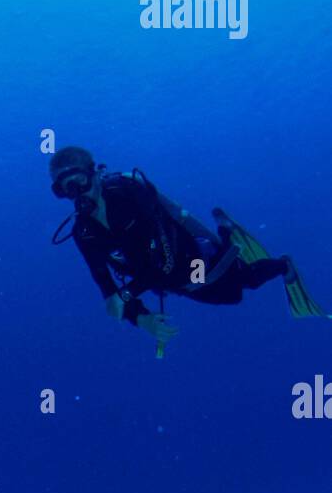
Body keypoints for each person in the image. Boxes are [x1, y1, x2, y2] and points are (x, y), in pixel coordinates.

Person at [49, 146, 326, 354]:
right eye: (66, 189)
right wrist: (143, 320)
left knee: (240, 286)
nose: (77, 193)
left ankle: (279, 262)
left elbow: (164, 264)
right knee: (225, 294)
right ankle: (226, 232)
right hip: (169, 281)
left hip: (192, 262)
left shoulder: (129, 194)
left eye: (79, 181)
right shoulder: (84, 234)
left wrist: (124, 296)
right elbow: (108, 294)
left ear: (95, 174)